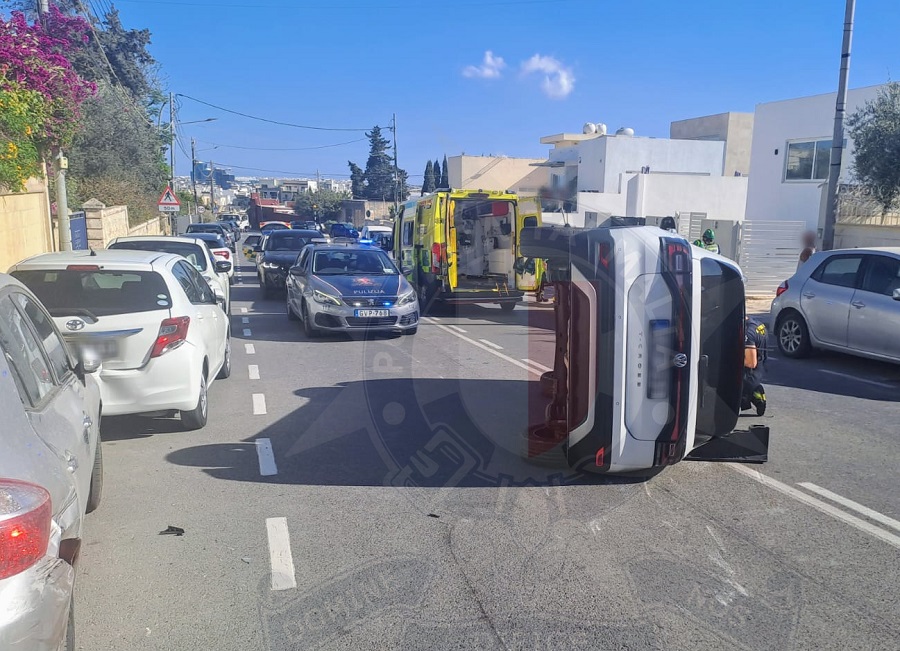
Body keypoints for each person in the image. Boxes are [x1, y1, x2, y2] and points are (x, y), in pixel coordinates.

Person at [741, 316, 767, 416]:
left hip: (749, 373)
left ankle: (755, 395)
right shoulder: (758, 324)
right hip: (759, 368)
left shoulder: (748, 332)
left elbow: (750, 362)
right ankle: (756, 394)